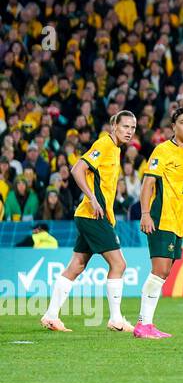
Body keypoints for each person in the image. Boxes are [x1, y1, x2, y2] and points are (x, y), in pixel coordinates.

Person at [40, 111, 137, 333]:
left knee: (77, 266)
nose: (129, 131)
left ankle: (51, 316)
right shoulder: (104, 145)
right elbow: (77, 169)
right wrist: (92, 199)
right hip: (93, 215)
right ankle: (116, 319)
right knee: (119, 265)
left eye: (132, 128)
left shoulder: (115, 149)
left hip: (92, 215)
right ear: (114, 126)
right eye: (125, 127)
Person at [136, 105, 183, 339]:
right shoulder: (163, 151)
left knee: (165, 271)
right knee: (159, 270)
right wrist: (145, 213)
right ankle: (143, 324)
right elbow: (147, 184)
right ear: (173, 126)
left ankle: (147, 323)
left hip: (181, 218)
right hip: (161, 216)